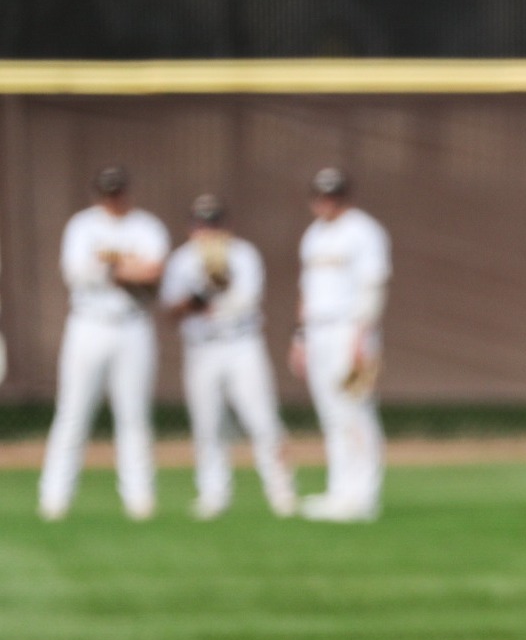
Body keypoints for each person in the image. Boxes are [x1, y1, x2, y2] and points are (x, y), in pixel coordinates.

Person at [39, 166, 171, 521]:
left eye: (117, 191)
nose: (113, 198)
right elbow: (77, 272)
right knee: (73, 413)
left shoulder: (146, 225)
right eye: (106, 192)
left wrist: (109, 266)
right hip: (88, 323)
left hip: (132, 323)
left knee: (134, 415)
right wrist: (125, 268)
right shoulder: (83, 225)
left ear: (127, 191)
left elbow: (154, 272)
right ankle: (55, 498)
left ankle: (140, 499)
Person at [159, 194, 298, 519]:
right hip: (201, 347)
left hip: (241, 344)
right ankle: (213, 493)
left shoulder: (243, 254)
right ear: (191, 227)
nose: (208, 230)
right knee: (207, 424)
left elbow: (245, 301)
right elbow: (172, 308)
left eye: (214, 223)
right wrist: (199, 296)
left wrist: (210, 294)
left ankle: (281, 491)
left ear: (228, 225)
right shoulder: (182, 260)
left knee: (262, 420)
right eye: (201, 223)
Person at [288, 168, 389, 522]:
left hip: (350, 328)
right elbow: (307, 291)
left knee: (356, 412)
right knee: (331, 414)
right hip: (318, 330)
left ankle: (363, 496)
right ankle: (339, 491)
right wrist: (300, 337)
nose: (326, 202)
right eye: (321, 195)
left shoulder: (364, 231)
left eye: (334, 195)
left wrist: (362, 339)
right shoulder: (313, 235)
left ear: (346, 196)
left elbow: (372, 286)